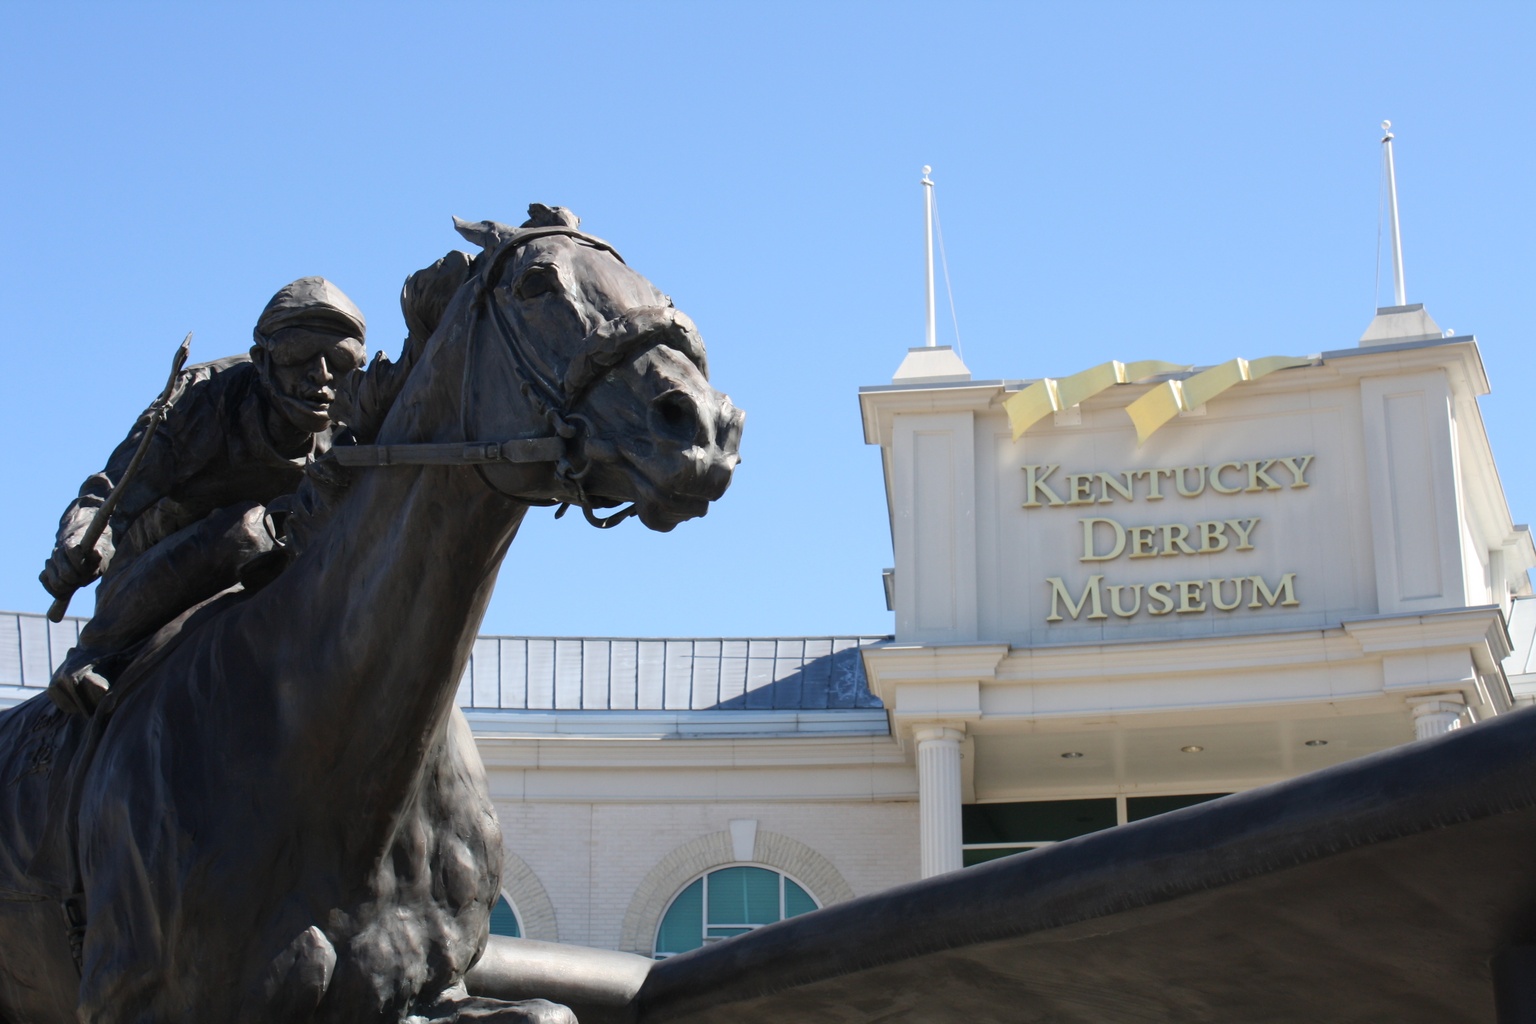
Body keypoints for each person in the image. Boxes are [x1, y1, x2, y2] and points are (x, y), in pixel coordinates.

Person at [39, 277, 368, 716]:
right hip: (154, 580)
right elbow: (110, 495)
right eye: (299, 353)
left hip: (280, 578)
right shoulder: (199, 401)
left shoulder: (354, 427)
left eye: (341, 360)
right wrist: (81, 544)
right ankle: (93, 656)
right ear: (261, 360)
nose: (322, 375)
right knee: (247, 529)